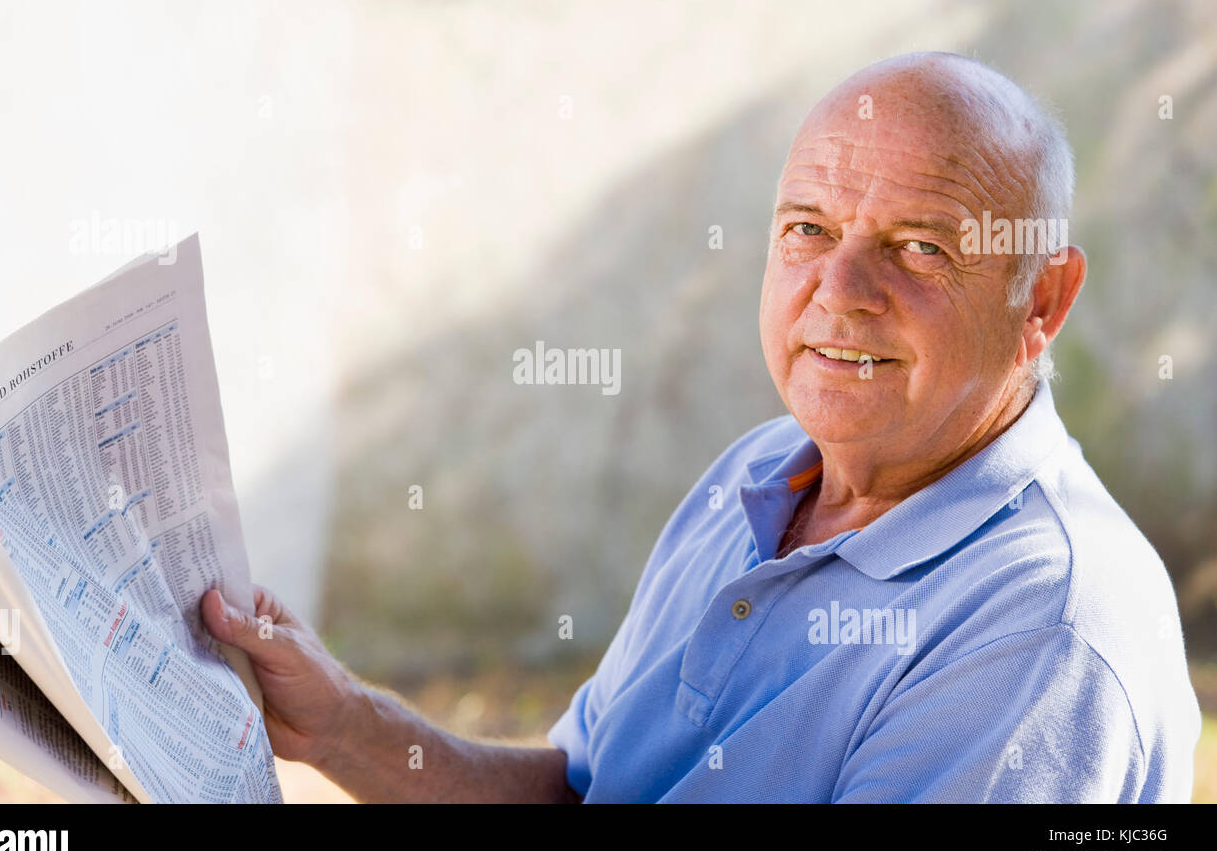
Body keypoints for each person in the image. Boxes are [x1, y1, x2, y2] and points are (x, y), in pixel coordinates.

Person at [202, 51, 1200, 802]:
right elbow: (585, 788)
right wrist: (344, 723)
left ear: (1043, 299)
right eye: (807, 228)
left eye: (918, 247)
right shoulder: (760, 476)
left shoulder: (1043, 626)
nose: (840, 291)